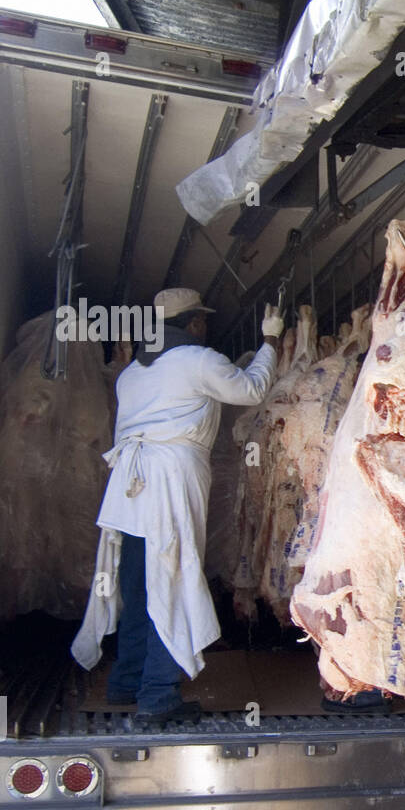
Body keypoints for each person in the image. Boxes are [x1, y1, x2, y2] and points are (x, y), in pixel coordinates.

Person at [72, 289, 283, 726]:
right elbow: (253, 389)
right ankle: (158, 695)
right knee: (172, 574)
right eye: (202, 320)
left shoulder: (131, 373)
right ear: (191, 324)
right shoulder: (196, 359)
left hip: (130, 486)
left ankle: (126, 682)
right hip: (171, 476)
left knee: (137, 582)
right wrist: (270, 342)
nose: (206, 327)